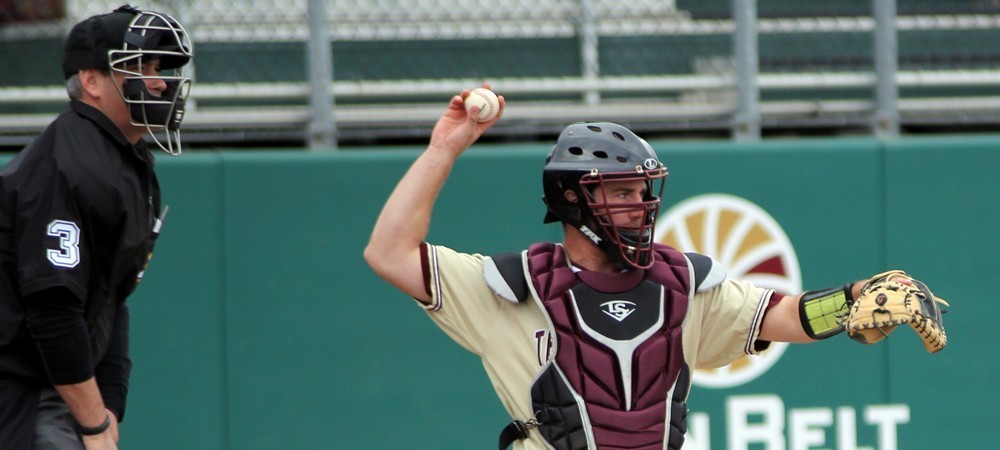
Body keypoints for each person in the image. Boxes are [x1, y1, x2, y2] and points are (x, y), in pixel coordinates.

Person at [363, 88, 910, 450]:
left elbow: (786, 315)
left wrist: (856, 298)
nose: (640, 205)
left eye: (643, 191)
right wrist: (444, 147)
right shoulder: (513, 287)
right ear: (573, 199)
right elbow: (388, 253)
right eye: (621, 192)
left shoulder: (683, 284)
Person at [0, 5, 193, 449]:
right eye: (140, 67)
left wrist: (109, 407)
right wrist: (93, 423)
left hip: (60, 391)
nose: (160, 81)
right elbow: (52, 310)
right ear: (91, 81)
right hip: (23, 395)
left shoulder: (127, 160)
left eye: (160, 67)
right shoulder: (66, 163)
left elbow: (112, 298)